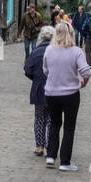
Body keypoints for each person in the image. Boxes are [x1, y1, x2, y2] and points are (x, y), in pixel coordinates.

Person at [43, 20, 90, 171]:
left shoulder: (49, 50)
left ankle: (50, 156)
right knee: (69, 127)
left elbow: (45, 70)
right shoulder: (76, 51)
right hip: (70, 93)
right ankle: (65, 161)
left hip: (51, 93)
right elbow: (86, 71)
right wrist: (84, 82)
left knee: (54, 124)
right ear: (71, 34)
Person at [23, 24, 56, 156]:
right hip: (54, 89)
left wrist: (36, 79)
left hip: (38, 88)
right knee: (50, 119)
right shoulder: (56, 51)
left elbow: (27, 70)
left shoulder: (35, 51)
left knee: (39, 118)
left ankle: (39, 146)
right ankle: (49, 145)